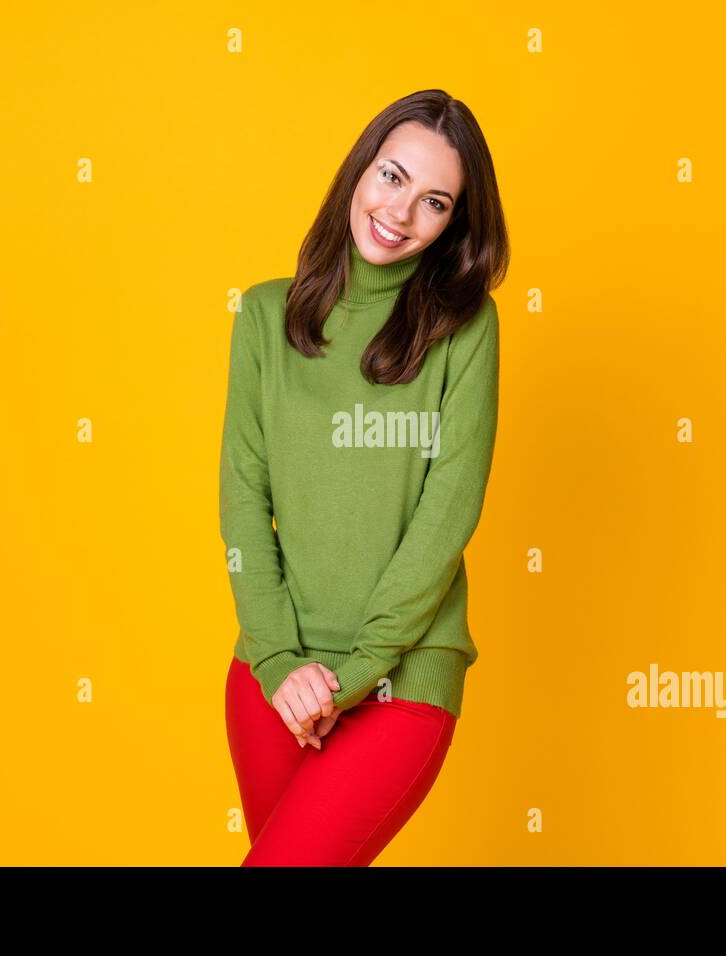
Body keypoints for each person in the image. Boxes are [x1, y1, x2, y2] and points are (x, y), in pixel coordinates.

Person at [220, 88, 508, 866]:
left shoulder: (466, 330)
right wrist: (280, 663)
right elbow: (244, 498)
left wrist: (351, 678)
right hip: (272, 677)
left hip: (401, 678)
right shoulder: (262, 318)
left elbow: (448, 514)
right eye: (391, 177)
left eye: (435, 201)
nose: (401, 212)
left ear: (454, 223)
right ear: (360, 170)